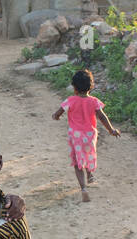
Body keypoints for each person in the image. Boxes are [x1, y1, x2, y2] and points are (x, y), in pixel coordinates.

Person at [52, 67, 121, 203]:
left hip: (76, 135)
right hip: (90, 135)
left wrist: (56, 116)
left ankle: (83, 189)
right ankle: (90, 174)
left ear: (74, 88)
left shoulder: (70, 100)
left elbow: (58, 113)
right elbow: (102, 117)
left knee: (78, 162)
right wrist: (111, 130)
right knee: (88, 154)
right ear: (91, 87)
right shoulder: (94, 101)